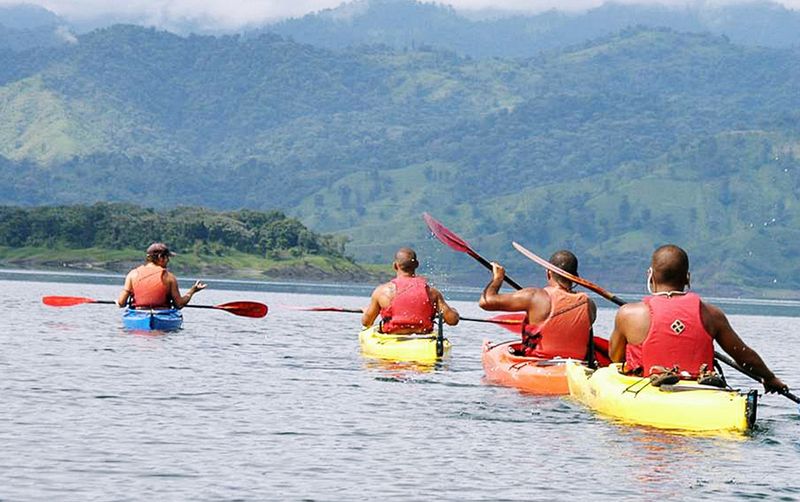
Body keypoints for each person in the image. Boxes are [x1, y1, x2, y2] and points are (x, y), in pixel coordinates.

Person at [609, 244, 787, 393]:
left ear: (651, 275)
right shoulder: (712, 315)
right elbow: (744, 356)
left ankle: (662, 374)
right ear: (687, 278)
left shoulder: (628, 314)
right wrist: (769, 378)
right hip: (702, 392)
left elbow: (615, 359)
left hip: (646, 392)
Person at [479, 250, 597, 360]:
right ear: (575, 277)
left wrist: (498, 278)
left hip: (539, 363)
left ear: (548, 273)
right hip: (575, 366)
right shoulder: (589, 304)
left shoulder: (535, 296)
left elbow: (486, 301)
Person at [362, 247, 459, 333]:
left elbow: (366, 322)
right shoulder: (432, 293)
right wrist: (454, 312)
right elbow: (452, 320)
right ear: (417, 265)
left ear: (395, 266)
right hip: (423, 339)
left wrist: (367, 312)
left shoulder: (382, 292)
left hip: (392, 339)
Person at [117, 242, 206, 310]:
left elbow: (121, 303)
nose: (168, 260)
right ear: (160, 257)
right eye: (167, 257)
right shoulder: (169, 277)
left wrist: (118, 303)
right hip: (162, 314)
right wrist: (192, 291)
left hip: (139, 313)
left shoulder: (132, 274)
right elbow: (179, 304)